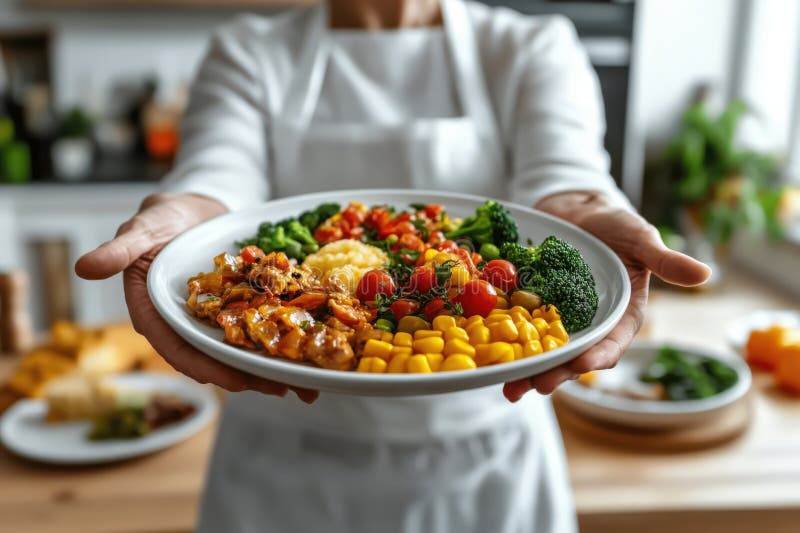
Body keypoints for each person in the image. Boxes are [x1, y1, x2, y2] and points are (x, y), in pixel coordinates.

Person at [76, 1, 711, 531]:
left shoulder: (532, 46)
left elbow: (568, 182)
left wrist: (598, 209)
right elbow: (217, 179)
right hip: (278, 462)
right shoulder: (248, 48)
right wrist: (176, 211)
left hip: (486, 459)